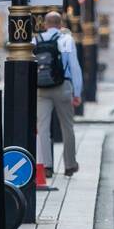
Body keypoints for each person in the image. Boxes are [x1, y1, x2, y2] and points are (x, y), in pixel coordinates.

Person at [34, 10, 83, 181]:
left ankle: (46, 166)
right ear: (60, 24)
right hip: (63, 87)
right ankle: (69, 165)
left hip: (41, 89)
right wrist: (77, 92)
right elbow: (74, 67)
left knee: (43, 128)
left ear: (45, 24)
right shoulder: (66, 40)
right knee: (67, 127)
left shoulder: (36, 40)